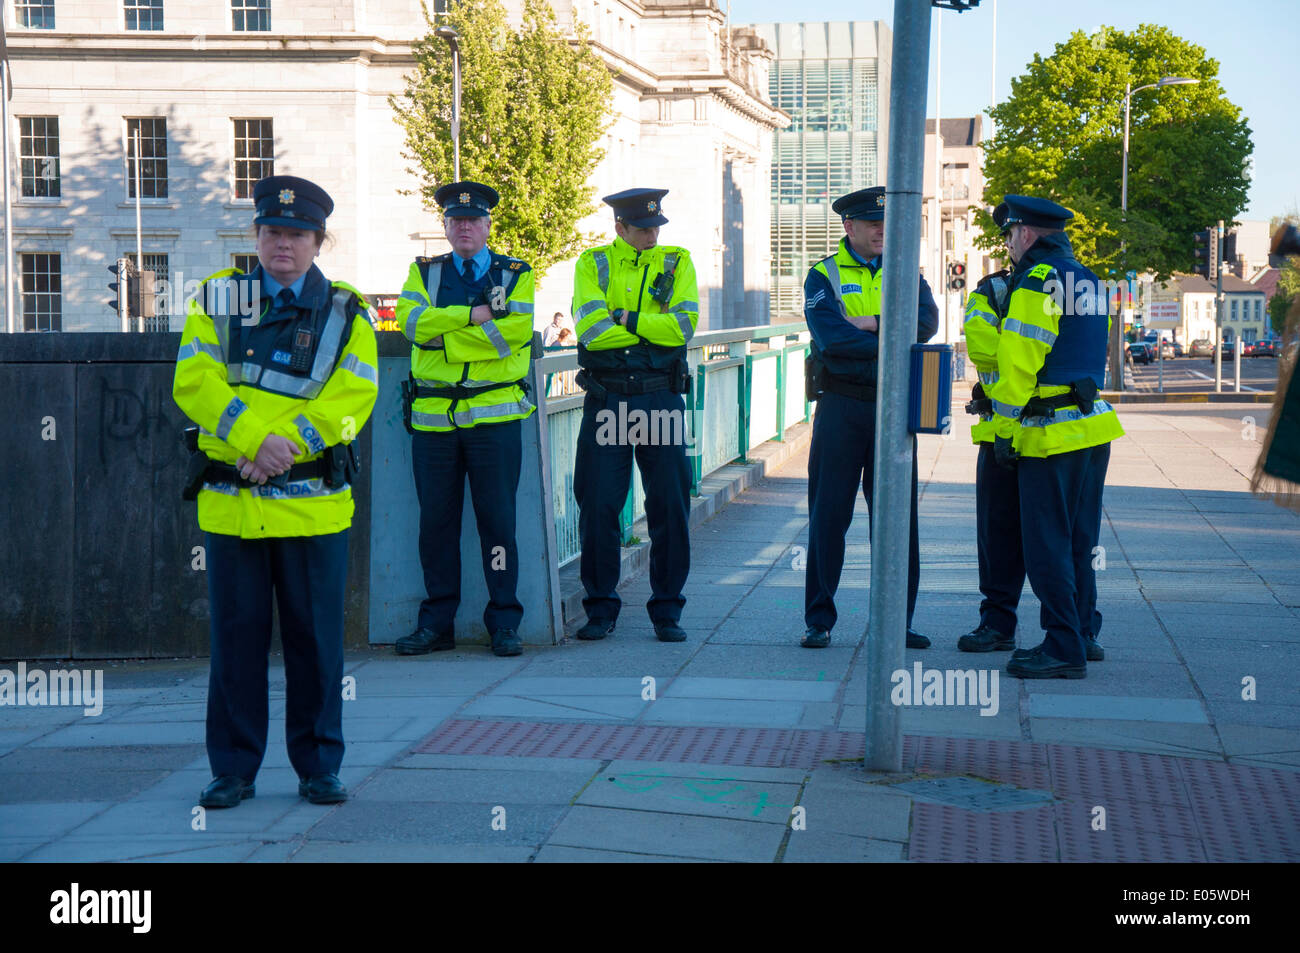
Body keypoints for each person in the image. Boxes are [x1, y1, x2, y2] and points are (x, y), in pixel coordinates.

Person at [173, 175, 378, 808]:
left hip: (311, 509)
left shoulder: (346, 311)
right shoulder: (216, 296)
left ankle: (319, 766)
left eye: (295, 234)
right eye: (271, 232)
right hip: (234, 509)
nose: (281, 243)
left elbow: (355, 395)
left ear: (319, 241)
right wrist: (257, 440)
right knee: (235, 645)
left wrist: (279, 446)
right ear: (255, 236)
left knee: (316, 645)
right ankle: (233, 769)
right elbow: (195, 382)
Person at [394, 181, 536, 659]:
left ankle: (504, 622)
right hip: (433, 420)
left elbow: (513, 337)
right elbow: (411, 325)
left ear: (488, 225)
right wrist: (473, 315)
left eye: (473, 220)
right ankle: (437, 624)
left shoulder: (516, 274)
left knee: (498, 523)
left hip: (494, 420)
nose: (465, 227)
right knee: (436, 524)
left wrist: (447, 338)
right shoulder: (424, 272)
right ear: (447, 226)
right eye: (456, 221)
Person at [987, 194, 1124, 679]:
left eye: (1009, 236)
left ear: (1025, 234)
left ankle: (1062, 646)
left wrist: (1004, 430)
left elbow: (1019, 364)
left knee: (1046, 543)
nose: (1008, 247)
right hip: (1093, 426)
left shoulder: (1036, 281)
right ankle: (1084, 633)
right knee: (1080, 541)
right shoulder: (1086, 279)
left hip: (1050, 435)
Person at [801, 186, 938, 649]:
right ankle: (818, 621)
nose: (883, 230)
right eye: (873, 223)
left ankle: (898, 622)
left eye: (887, 223)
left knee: (899, 520)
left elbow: (926, 325)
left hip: (893, 409)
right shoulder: (823, 275)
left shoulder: (907, 272)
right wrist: (893, 336)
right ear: (849, 227)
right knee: (828, 516)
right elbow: (833, 339)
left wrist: (872, 323)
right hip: (841, 406)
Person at [570, 188, 698, 643]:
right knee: (600, 505)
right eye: (643, 229)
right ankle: (600, 609)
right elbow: (590, 330)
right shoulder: (592, 263)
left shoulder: (677, 262)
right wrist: (647, 330)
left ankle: (668, 611)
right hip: (609, 399)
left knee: (669, 505)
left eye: (656, 227)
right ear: (619, 228)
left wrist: (623, 318)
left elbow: (683, 327)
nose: (652, 235)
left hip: (660, 397)